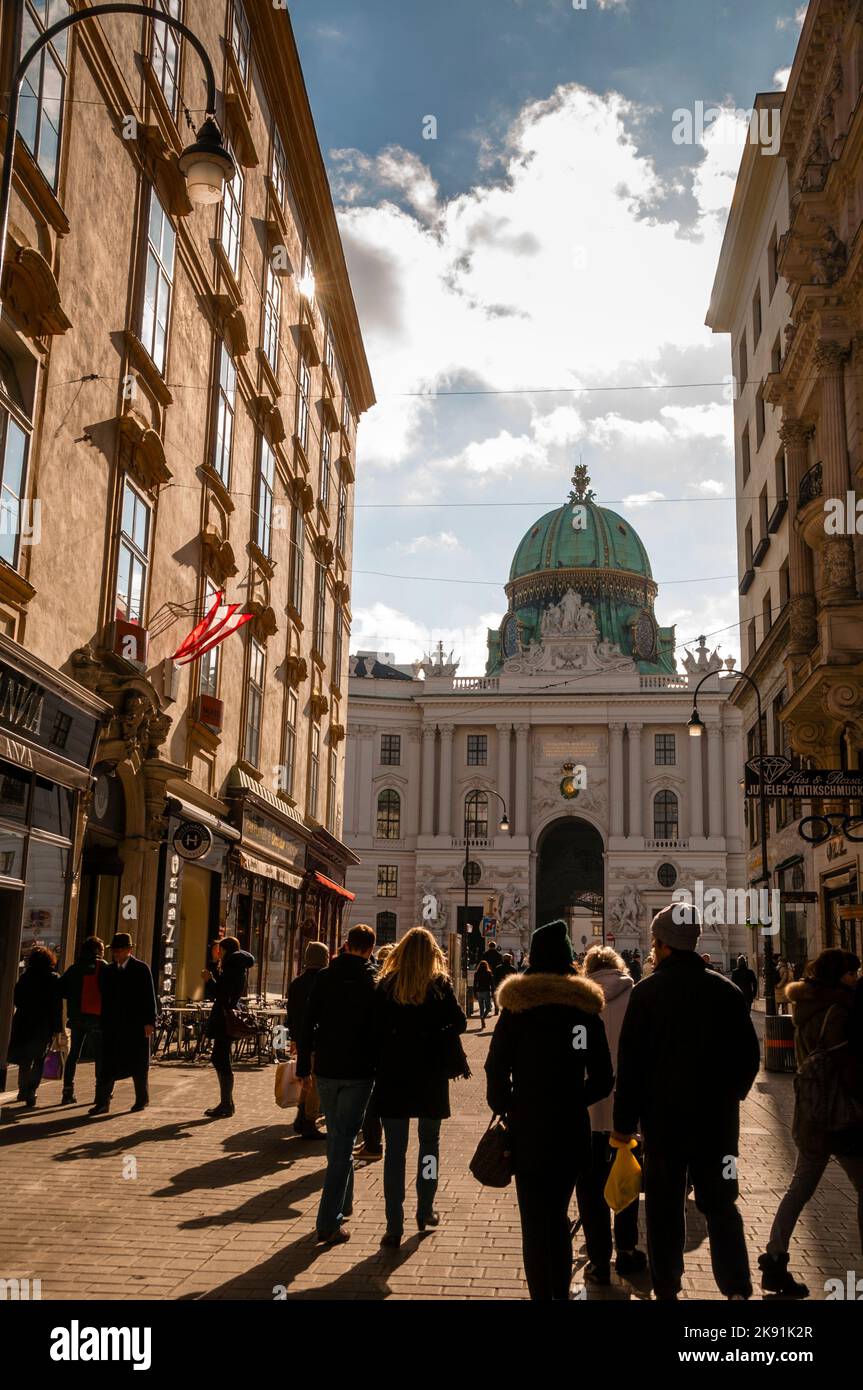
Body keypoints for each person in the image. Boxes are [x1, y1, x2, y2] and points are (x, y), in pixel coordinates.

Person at [613, 904, 760, 1301]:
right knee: (722, 1204)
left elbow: (631, 1066)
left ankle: (667, 1287)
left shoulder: (646, 994)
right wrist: (730, 1096)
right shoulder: (726, 990)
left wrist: (624, 1125)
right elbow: (749, 1057)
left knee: (663, 1206)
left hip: (663, 1123)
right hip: (718, 1124)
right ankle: (736, 1289)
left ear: (660, 945)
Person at [486, 920, 613, 1301]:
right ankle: (560, 1292)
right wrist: (576, 1099)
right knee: (558, 1217)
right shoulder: (584, 1010)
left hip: (527, 1129)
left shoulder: (517, 1008)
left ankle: (542, 1294)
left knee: (534, 1222)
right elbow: (604, 1076)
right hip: (571, 1129)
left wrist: (509, 1105)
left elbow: (495, 1066)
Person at [758, 948, 863, 1297]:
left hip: (813, 1113)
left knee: (799, 1188)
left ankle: (774, 1258)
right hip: (843, 1115)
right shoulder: (840, 1010)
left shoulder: (805, 1006)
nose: (856, 977)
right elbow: (848, 1066)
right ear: (838, 976)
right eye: (851, 973)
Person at [372, 927, 467, 1247]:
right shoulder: (439, 985)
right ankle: (425, 1208)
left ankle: (393, 1224)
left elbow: (374, 1029)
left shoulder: (386, 985)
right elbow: (460, 1022)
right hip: (430, 1077)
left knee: (394, 1154)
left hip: (394, 1077)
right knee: (429, 1146)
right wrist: (434, 1029)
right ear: (431, 955)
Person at [298, 922, 381, 1246]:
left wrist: (304, 1065)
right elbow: (380, 1030)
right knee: (343, 1143)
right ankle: (328, 1222)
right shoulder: (374, 981)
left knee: (337, 1137)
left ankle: (343, 1204)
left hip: (328, 1070)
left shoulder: (324, 977)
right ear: (370, 948)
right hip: (360, 1072)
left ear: (346, 944)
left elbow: (308, 1024)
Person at [575, 945, 646, 1284]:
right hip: (627, 1109)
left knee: (589, 1187)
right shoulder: (636, 997)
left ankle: (599, 1259)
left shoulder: (579, 1001)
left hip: (588, 1109)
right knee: (626, 1180)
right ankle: (628, 1250)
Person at [91, 932, 158, 1116]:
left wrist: (150, 1021)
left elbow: (148, 997)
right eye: (115, 951)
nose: (117, 954)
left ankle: (141, 1098)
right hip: (113, 1023)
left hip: (135, 1024)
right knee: (108, 1063)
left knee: (138, 1063)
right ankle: (102, 1102)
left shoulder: (141, 969)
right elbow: (103, 994)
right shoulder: (109, 970)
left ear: (129, 950)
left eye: (120, 951)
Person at [204, 935, 255, 1119]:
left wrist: (209, 980)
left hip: (224, 1019)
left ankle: (226, 1104)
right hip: (226, 1018)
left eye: (220, 950)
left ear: (226, 950)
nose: (218, 953)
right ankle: (227, 1103)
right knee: (221, 1058)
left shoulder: (232, 967)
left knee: (220, 1059)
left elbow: (222, 993)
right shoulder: (236, 967)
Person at [9, 946, 63, 1109]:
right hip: (43, 1025)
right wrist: (57, 1028)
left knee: (25, 1059)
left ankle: (22, 1090)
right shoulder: (53, 977)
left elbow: (17, 999)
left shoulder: (26, 977)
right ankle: (32, 1091)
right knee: (39, 1058)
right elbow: (57, 1006)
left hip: (24, 1022)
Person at [355, 942, 395, 1160]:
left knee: (371, 1098)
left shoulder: (375, 981)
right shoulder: (400, 983)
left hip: (373, 1052)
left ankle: (373, 1144)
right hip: (392, 1056)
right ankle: (374, 1142)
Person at [286, 940, 329, 1139]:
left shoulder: (296, 982)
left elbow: (292, 1014)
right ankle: (309, 1121)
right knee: (315, 1081)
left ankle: (301, 1117)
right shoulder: (323, 981)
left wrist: (294, 1038)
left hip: (302, 1038)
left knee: (305, 1078)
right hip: (318, 1039)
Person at [59, 936, 106, 1105]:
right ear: (96, 950)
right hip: (96, 1018)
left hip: (77, 1018)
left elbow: (62, 990)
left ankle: (67, 1091)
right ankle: (100, 1092)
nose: (103, 951)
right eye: (101, 948)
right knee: (100, 1056)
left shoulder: (74, 968)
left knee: (73, 1055)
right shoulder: (103, 966)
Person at [473, 959, 494, 1029]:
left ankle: (482, 1023)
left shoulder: (476, 973)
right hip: (486, 991)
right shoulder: (489, 973)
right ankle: (483, 1017)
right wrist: (493, 992)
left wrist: (474, 992)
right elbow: (491, 984)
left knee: (481, 1008)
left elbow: (474, 984)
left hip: (479, 991)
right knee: (488, 1007)